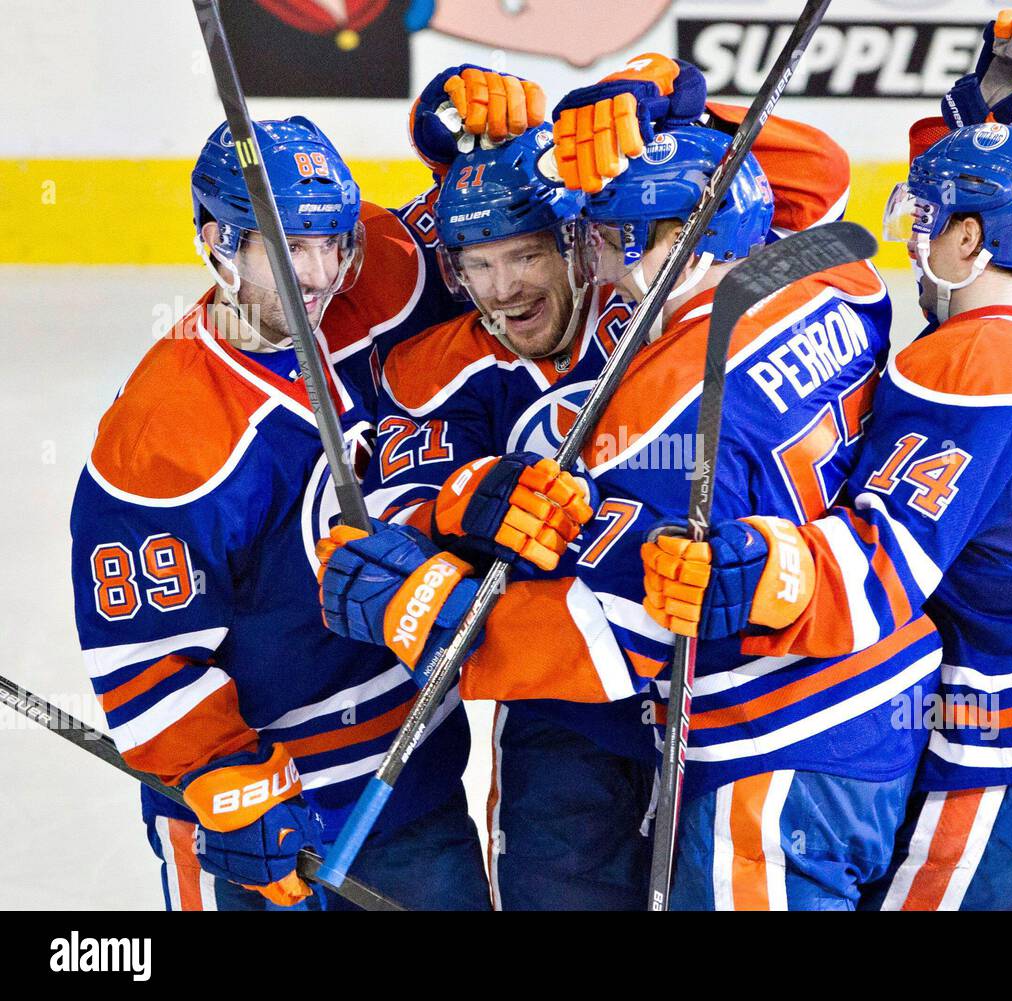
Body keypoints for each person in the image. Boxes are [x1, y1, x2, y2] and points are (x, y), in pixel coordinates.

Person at [317, 97, 928, 908]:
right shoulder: (436, 369)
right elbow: (389, 499)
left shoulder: (645, 335)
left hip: (706, 693)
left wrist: (660, 100)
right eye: (477, 265)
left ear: (580, 239)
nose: (502, 291)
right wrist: (458, 503)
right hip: (583, 720)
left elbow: (622, 619)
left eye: (527, 255)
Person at [642, 120, 1012, 910]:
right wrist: (998, 128)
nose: (913, 243)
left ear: (973, 238)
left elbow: (884, 564)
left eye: (929, 221)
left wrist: (759, 571)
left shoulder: (966, 368)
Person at [68, 116, 500, 911]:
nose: (320, 273)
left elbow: (492, 241)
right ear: (219, 244)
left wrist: (489, 145)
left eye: (335, 241)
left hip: (410, 782)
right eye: (289, 247)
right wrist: (219, 776)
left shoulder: (375, 285)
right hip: (260, 814)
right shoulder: (169, 433)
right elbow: (139, 653)